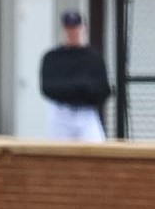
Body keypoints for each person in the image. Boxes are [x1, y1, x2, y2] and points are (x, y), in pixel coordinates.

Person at [40, 10, 111, 142]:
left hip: (86, 113)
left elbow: (103, 89)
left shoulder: (93, 57)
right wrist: (81, 87)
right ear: (63, 30)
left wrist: (73, 88)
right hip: (61, 113)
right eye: (69, 28)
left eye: (76, 27)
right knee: (56, 155)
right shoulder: (52, 57)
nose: (73, 32)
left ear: (84, 29)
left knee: (96, 150)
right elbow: (48, 88)